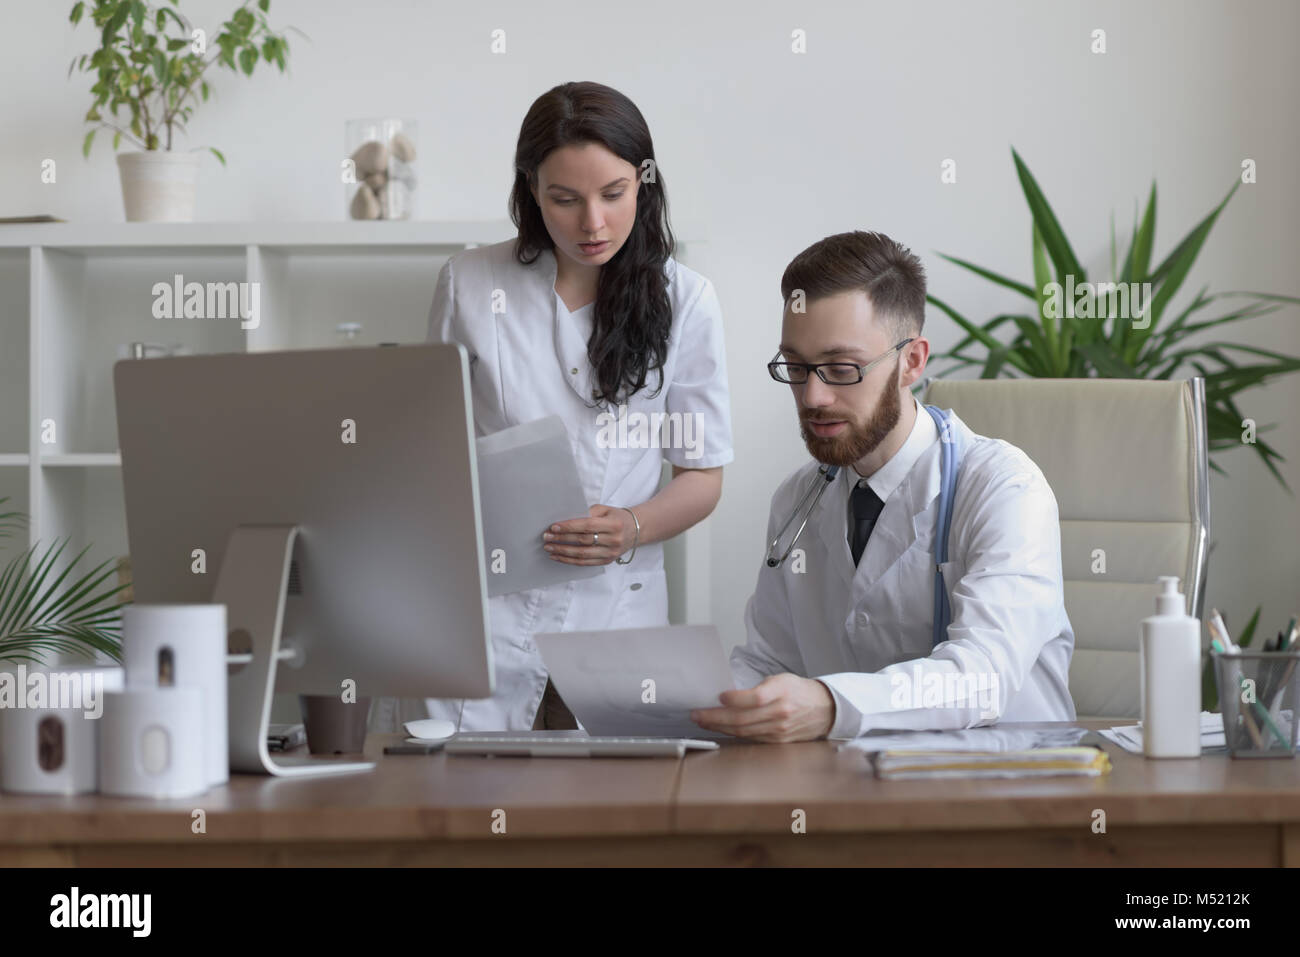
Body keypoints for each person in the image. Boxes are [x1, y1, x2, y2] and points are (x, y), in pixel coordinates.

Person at [378, 82, 733, 733]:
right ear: (531, 191)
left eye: (613, 194)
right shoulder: (469, 283)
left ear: (644, 182)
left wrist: (631, 527)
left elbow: (702, 475)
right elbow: (431, 454)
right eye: (564, 199)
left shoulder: (687, 300)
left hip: (615, 616)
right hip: (483, 615)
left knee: (602, 793)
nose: (592, 223)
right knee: (461, 789)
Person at [692, 230, 1075, 742]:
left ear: (911, 361)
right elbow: (769, 662)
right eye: (797, 367)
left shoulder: (1004, 489)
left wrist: (831, 705)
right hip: (852, 780)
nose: (813, 396)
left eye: (841, 368)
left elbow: (983, 676)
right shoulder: (798, 499)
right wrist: (696, 706)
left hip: (1005, 777)